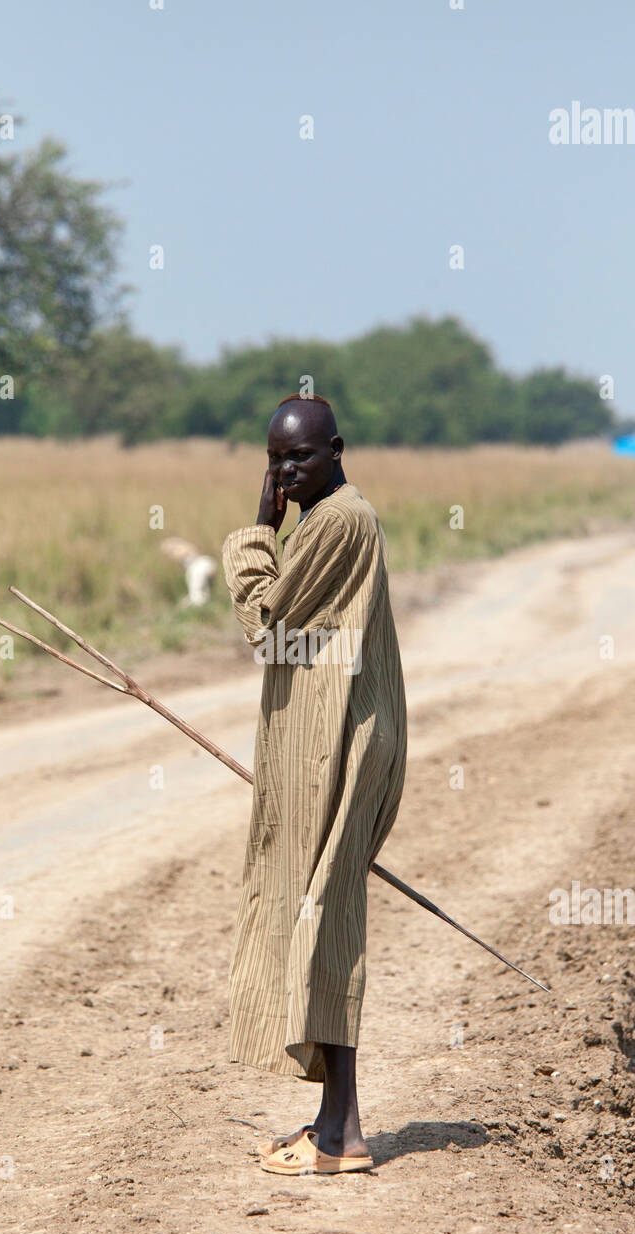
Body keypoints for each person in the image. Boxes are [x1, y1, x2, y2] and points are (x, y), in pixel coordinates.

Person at [221, 394, 407, 1175]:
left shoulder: (336, 522)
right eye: (273, 458)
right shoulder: (331, 518)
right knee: (317, 917)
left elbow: (269, 627)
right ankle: (335, 1121)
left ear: (336, 449)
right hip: (325, 744)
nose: (284, 472)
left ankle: (341, 1139)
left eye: (298, 456)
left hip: (338, 749)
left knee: (324, 921)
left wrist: (256, 533)